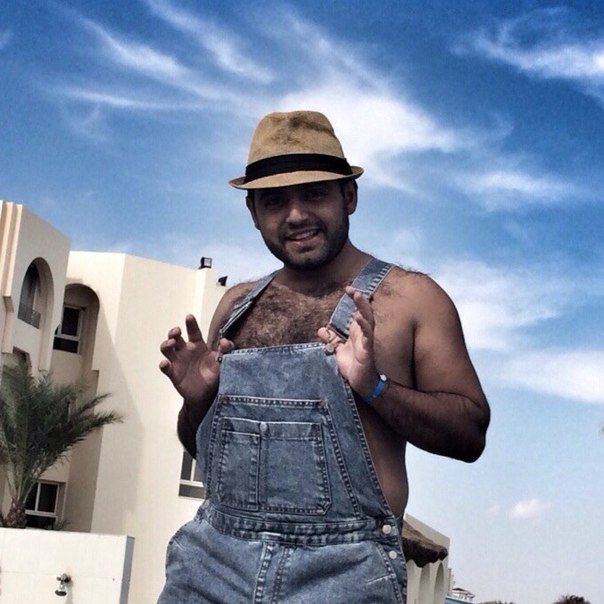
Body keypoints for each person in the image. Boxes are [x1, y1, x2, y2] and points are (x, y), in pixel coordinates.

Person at [157, 110, 490, 603]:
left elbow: (470, 433)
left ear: (348, 196)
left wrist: (374, 387)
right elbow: (200, 449)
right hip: (211, 569)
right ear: (253, 212)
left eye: (313, 193)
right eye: (274, 200)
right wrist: (200, 401)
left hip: (343, 575)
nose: (295, 215)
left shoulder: (412, 300)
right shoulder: (234, 307)